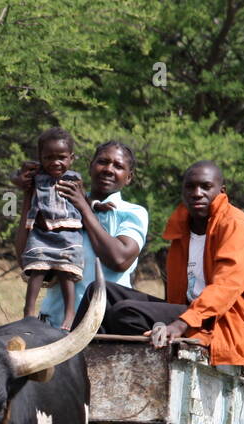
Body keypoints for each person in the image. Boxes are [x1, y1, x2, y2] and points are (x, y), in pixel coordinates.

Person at [76, 160, 244, 369]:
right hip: (192, 313)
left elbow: (225, 287)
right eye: (190, 187)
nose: (197, 193)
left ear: (222, 191)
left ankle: (113, 371)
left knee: (127, 313)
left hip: (225, 322)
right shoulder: (182, 228)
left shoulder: (236, 227)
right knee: (98, 293)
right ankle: (74, 363)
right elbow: (176, 297)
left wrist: (180, 325)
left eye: (206, 187)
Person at [12, 140, 148, 329]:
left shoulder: (132, 212)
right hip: (52, 323)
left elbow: (119, 260)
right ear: (91, 166)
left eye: (118, 166)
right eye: (103, 162)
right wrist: (29, 192)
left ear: (129, 177)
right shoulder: (62, 202)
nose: (108, 169)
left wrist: (84, 207)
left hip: (100, 327)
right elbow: (25, 257)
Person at [16, 129, 86, 329]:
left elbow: (84, 202)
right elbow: (15, 178)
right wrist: (18, 179)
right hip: (42, 234)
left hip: (68, 234)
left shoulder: (74, 179)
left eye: (62, 157)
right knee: (37, 267)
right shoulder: (37, 175)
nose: (56, 162)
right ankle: (28, 312)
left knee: (66, 272)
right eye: (49, 157)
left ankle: (70, 315)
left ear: (71, 158)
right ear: (40, 158)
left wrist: (97, 204)